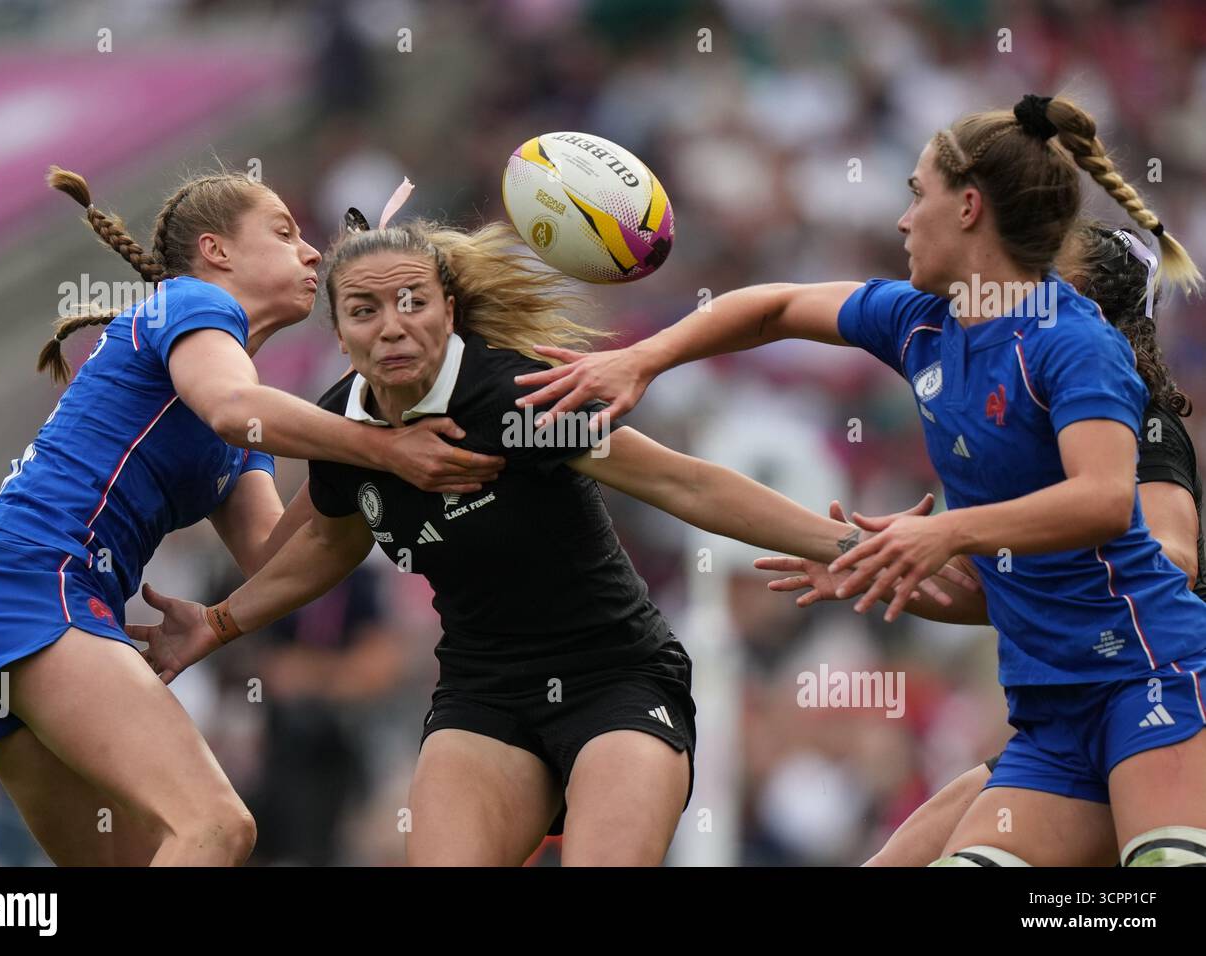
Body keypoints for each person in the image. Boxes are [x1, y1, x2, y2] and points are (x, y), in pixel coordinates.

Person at [125, 206, 961, 866]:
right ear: (337, 332)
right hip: (484, 696)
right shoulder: (340, 426)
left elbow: (683, 480)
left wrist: (849, 546)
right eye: (365, 310)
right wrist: (223, 620)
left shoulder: (515, 400)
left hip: (618, 682)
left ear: (449, 308)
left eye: (413, 301)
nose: (392, 326)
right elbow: (325, 545)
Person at [515, 94, 1206, 867]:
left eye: (918, 195)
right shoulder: (917, 323)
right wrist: (642, 359)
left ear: (970, 206)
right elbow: (773, 308)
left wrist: (941, 531)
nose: (904, 220)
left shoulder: (1072, 340)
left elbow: (1107, 502)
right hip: (1052, 713)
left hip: (1154, 679)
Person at [0, 167, 503, 866]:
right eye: (284, 233)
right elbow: (232, 408)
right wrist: (386, 446)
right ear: (218, 252)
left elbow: (272, 556)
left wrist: (373, 410)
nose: (312, 252)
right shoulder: (190, 302)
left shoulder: (240, 417)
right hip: (33, 588)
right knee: (217, 825)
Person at [763, 220, 1203, 866]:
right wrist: (891, 562)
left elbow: (1173, 558)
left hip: (1154, 689)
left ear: (1074, 297)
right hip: (1067, 716)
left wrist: (974, 545)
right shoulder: (1019, 416)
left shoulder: (1136, 422)